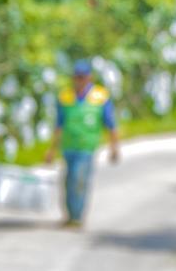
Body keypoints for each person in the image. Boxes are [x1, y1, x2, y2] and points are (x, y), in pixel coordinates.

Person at [46, 60, 120, 228]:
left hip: (87, 147)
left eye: (82, 77)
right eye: (77, 77)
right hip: (68, 146)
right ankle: (70, 215)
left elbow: (111, 125)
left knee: (79, 180)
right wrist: (51, 150)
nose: (79, 80)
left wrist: (114, 148)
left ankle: (77, 217)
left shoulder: (100, 97)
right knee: (68, 181)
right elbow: (59, 125)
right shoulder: (65, 97)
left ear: (89, 77)